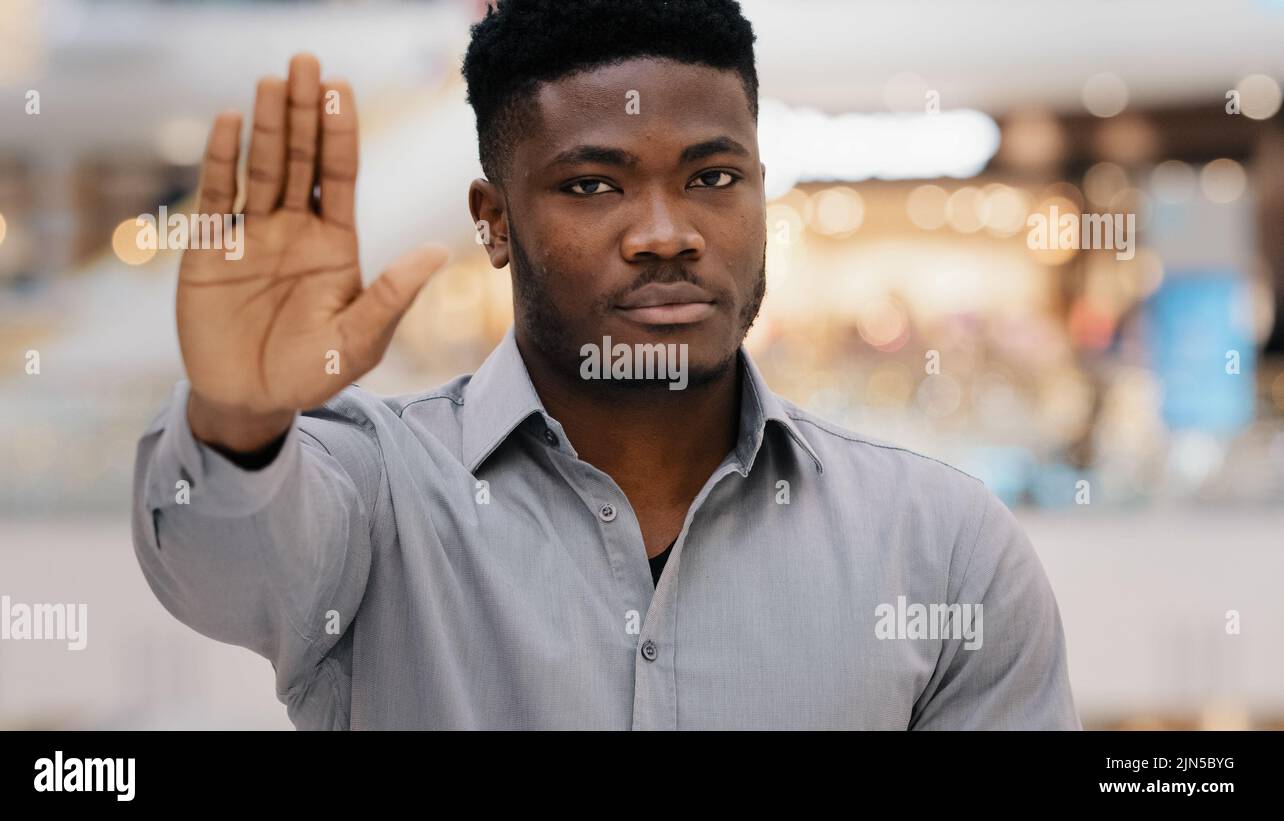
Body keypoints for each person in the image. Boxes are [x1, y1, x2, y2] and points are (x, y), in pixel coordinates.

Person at [130, 0, 1081, 729]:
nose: (666, 235)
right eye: (593, 184)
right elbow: (223, 562)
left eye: (713, 178)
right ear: (493, 220)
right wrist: (237, 423)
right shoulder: (377, 496)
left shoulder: (942, 547)